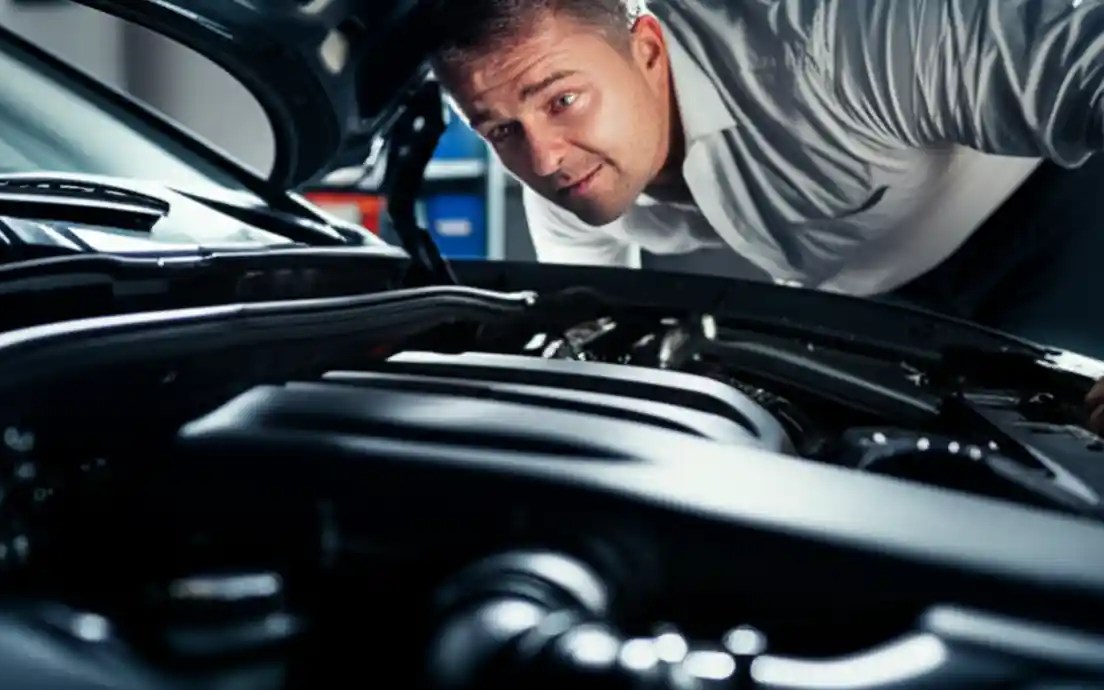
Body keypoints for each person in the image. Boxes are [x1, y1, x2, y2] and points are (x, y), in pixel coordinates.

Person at [423, 0, 1104, 432]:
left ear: (649, 50)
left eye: (562, 100)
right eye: (500, 132)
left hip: (1059, 220)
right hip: (883, 307)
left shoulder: (833, 41)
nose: (542, 160)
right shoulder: (561, 174)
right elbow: (583, 325)